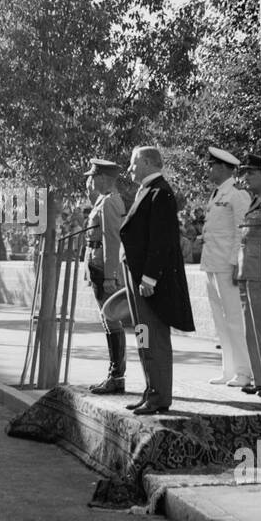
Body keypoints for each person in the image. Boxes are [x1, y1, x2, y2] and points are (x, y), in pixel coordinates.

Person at [101, 145, 195, 415]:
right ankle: (150, 390)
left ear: (146, 162)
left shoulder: (161, 193)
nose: (129, 168)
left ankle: (160, 395)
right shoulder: (147, 190)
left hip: (149, 281)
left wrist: (150, 278)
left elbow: (161, 241)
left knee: (154, 338)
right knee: (143, 337)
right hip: (136, 278)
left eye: (133, 163)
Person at [199, 147, 253, 388]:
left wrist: (235, 263)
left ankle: (244, 371)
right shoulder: (217, 193)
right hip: (212, 264)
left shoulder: (236, 194)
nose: (209, 169)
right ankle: (228, 369)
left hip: (226, 265)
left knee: (234, 320)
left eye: (212, 165)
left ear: (222, 167)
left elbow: (241, 232)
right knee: (220, 321)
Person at [83, 158, 129, 395]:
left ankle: (116, 376)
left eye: (92, 177)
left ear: (101, 178)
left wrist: (111, 276)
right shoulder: (102, 200)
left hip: (104, 269)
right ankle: (114, 374)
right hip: (97, 266)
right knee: (107, 321)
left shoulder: (110, 202)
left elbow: (112, 240)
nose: (90, 182)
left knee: (111, 321)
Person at [234, 155, 261, 396]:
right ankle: (259, 379)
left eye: (251, 173)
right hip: (248, 271)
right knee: (250, 329)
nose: (246, 178)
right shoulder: (255, 201)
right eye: (244, 173)